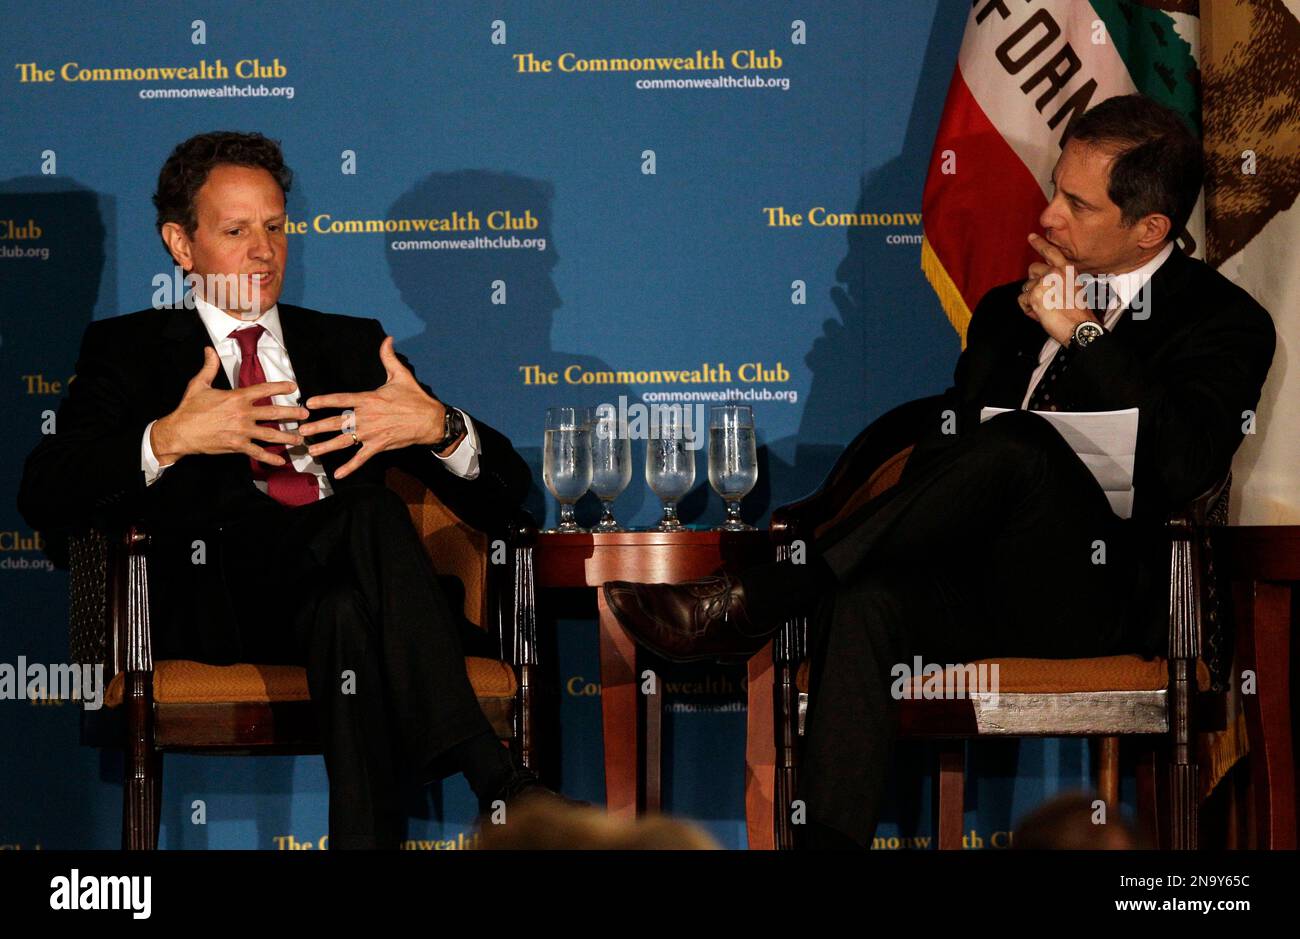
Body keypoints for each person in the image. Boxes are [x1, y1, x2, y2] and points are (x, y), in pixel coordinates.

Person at [603, 95, 1277, 849]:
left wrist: (1083, 334)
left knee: (1023, 445)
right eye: (1055, 188)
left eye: (1076, 204)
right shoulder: (1004, 311)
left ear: (1151, 228)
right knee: (865, 604)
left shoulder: (1224, 320)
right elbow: (948, 451)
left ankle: (771, 590)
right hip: (979, 575)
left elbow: (1186, 462)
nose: (1048, 216)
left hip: (1102, 591)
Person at [18, 131, 552, 849]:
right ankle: (494, 772)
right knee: (363, 508)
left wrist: (439, 425)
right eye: (235, 230)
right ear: (182, 244)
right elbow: (44, 493)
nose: (263, 250)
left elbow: (513, 499)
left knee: (344, 613)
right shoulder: (129, 349)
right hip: (217, 606)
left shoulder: (352, 346)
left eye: (275, 226)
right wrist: (167, 438)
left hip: (343, 598)